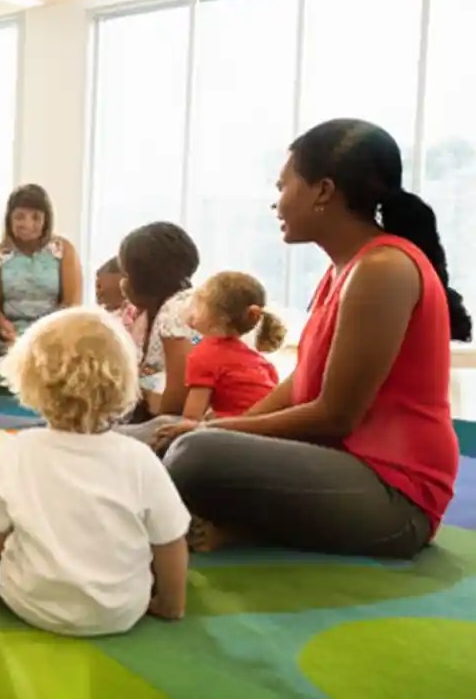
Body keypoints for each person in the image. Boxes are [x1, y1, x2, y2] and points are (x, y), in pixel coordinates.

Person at [162, 118, 471, 559]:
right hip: (343, 467)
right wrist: (223, 428)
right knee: (162, 435)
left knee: (194, 453)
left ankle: (237, 525)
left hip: (396, 497)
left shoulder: (383, 270)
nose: (277, 203)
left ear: (323, 191)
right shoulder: (341, 270)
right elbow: (302, 382)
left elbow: (335, 416)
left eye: (284, 186)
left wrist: (219, 430)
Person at [0, 307, 189, 636]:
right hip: (121, 610)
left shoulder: (18, 451)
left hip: (30, 602)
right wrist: (171, 604)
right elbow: (170, 541)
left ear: (29, 379)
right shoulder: (139, 458)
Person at [133, 271, 286, 451]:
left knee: (162, 426)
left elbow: (191, 417)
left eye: (197, 305)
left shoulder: (204, 356)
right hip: (266, 433)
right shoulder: (258, 360)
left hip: (235, 436)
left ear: (210, 314)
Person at [0, 184, 83, 355]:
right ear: (9, 219)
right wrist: (6, 329)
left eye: (36, 218)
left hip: (55, 332)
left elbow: (71, 304)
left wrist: (43, 333)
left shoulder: (63, 249)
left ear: (46, 221)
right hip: (10, 335)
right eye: (20, 217)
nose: (27, 224)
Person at [116, 222, 200, 421]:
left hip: (168, 422)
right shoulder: (176, 304)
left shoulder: (174, 312)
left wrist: (157, 431)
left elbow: (179, 393)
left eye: (126, 275)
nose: (123, 284)